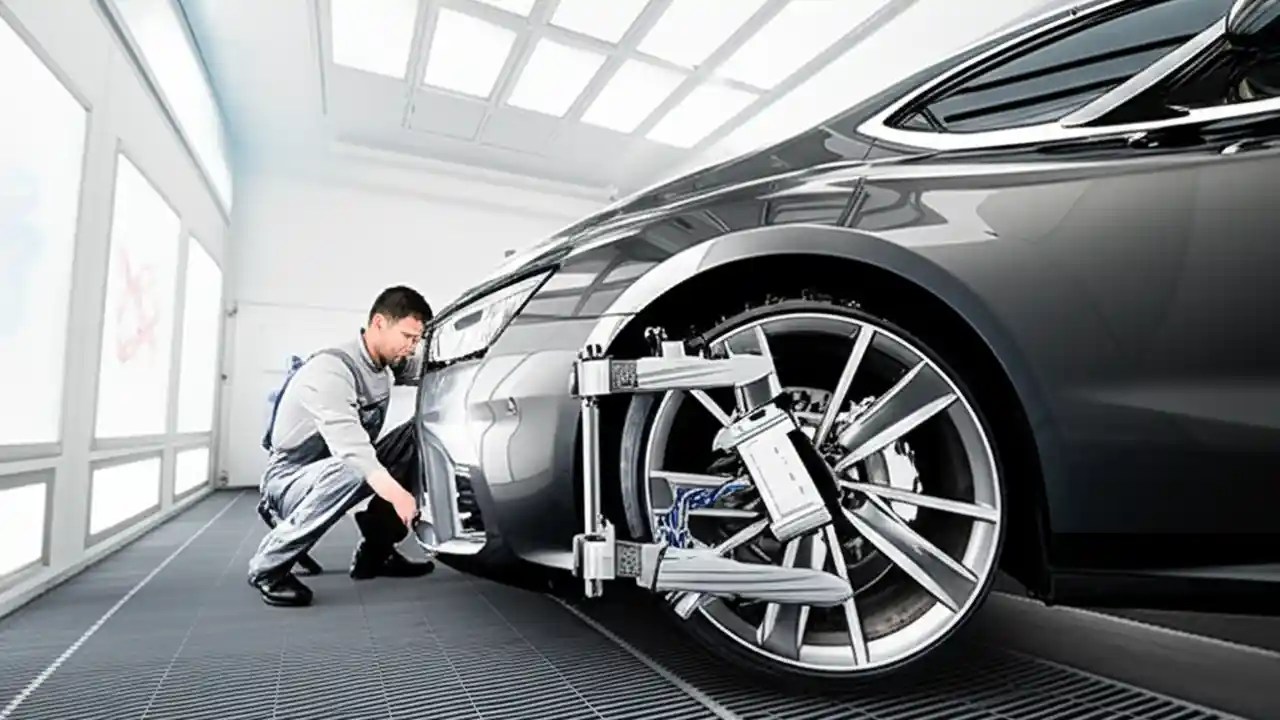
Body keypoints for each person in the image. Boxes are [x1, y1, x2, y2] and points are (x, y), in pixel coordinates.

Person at [246, 286, 436, 607]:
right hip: (289, 481)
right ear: (378, 323)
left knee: (415, 434)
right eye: (407, 337)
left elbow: (432, 367)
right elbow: (352, 449)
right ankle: (267, 568)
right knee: (356, 465)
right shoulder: (331, 370)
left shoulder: (385, 363)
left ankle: (376, 553)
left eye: (416, 340)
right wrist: (400, 495)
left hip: (337, 470)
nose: (412, 347)